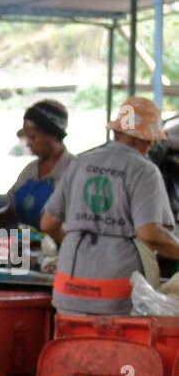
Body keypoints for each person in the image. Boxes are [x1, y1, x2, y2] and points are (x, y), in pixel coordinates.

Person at [40, 96, 179, 315]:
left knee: (71, 346)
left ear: (116, 133)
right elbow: (150, 232)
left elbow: (48, 223)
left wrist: (79, 243)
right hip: (113, 293)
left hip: (68, 287)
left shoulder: (80, 162)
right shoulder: (144, 170)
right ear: (149, 139)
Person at [0, 100, 74, 231]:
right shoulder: (30, 170)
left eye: (32, 137)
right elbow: (10, 211)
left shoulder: (74, 170)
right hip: (25, 246)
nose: (28, 143)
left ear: (53, 135)